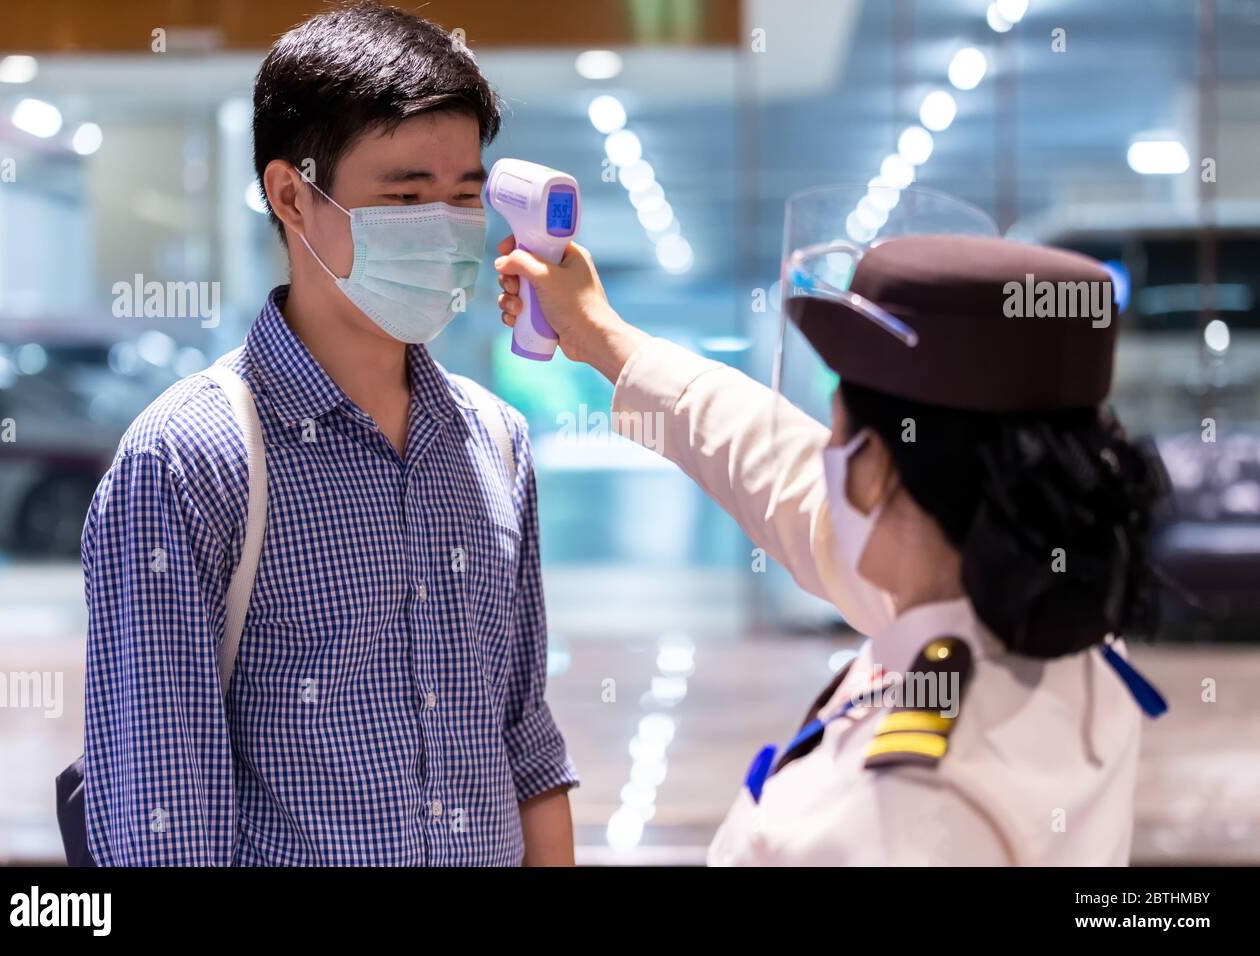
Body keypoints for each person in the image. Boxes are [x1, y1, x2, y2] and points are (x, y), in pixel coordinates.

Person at [493, 224, 1166, 865]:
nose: (822, 458)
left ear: (873, 470)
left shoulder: (888, 811)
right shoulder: (1070, 641)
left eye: (835, 431)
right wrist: (602, 336)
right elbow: (772, 466)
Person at [81, 2, 577, 866]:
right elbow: (166, 823)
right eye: (406, 196)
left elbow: (525, 740)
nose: (450, 230)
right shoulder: (190, 460)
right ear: (292, 197)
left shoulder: (495, 441)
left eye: (465, 197)